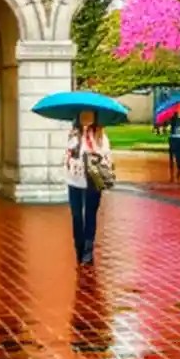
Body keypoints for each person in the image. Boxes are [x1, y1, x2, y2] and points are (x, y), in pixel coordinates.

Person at [68, 111, 115, 266]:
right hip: (75, 179)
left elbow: (107, 156)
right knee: (76, 215)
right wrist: (76, 143)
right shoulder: (74, 135)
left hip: (93, 181)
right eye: (83, 116)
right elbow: (69, 155)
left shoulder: (101, 136)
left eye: (89, 116)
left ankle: (88, 252)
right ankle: (79, 248)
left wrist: (95, 150)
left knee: (90, 215)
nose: (86, 119)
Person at [167, 112, 180, 183]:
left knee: (171, 156)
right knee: (179, 156)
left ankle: (173, 173)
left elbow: (169, 129)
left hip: (173, 138)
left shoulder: (172, 119)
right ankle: (179, 168)